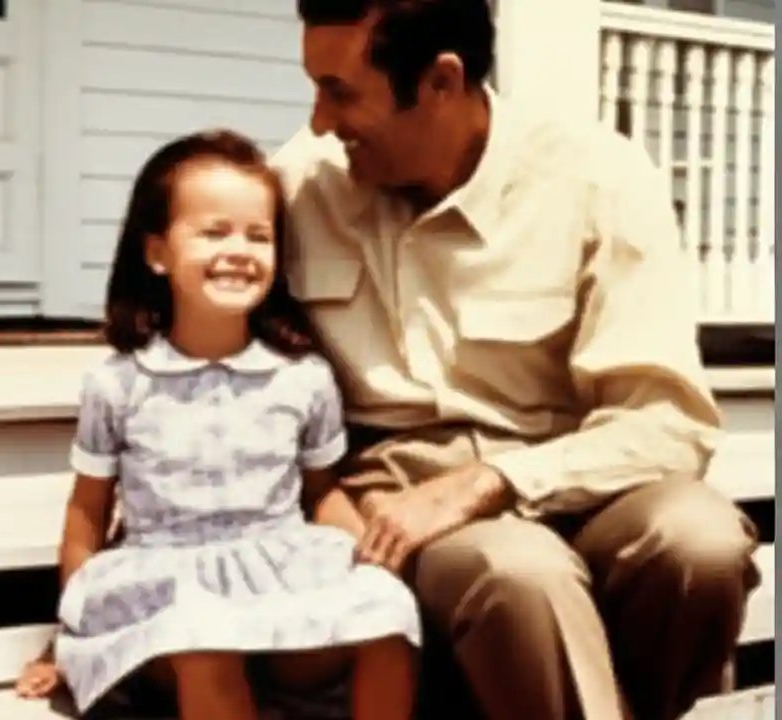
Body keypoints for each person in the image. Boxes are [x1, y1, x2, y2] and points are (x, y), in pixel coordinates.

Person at [270, 2, 761, 719]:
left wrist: (496, 479)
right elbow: (199, 349)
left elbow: (669, 424)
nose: (319, 120)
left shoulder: (597, 178)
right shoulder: (300, 185)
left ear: (441, 82)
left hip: (577, 487)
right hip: (400, 512)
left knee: (701, 542)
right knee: (519, 572)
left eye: (340, 91)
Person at [18, 129, 422, 720]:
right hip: (169, 596)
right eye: (213, 232)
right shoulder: (120, 385)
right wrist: (69, 635)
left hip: (278, 570)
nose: (239, 249)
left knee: (386, 610)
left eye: (258, 235)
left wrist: (365, 558)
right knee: (206, 637)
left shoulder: (301, 378)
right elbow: (87, 511)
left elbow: (323, 491)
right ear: (156, 252)